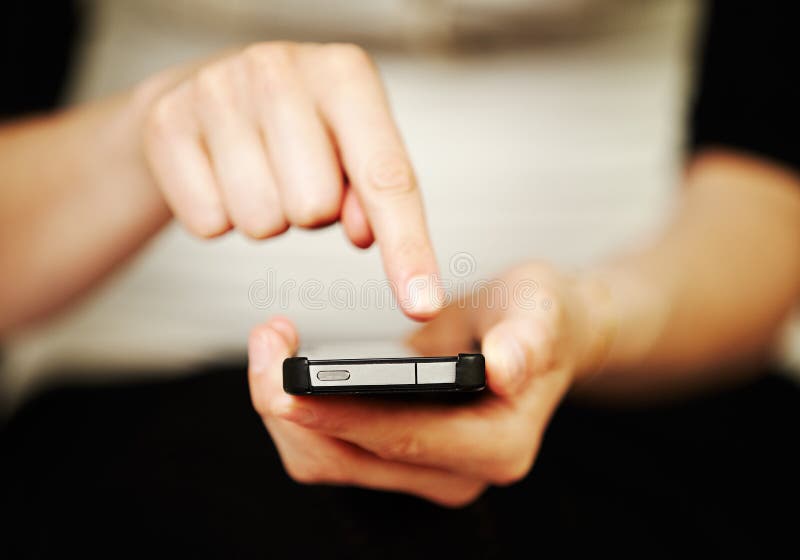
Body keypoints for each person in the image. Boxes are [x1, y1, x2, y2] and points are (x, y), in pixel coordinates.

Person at [2, 0, 798, 555]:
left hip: (652, 359)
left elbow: (768, 204)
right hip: (138, 380)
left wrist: (596, 317)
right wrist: (144, 132)